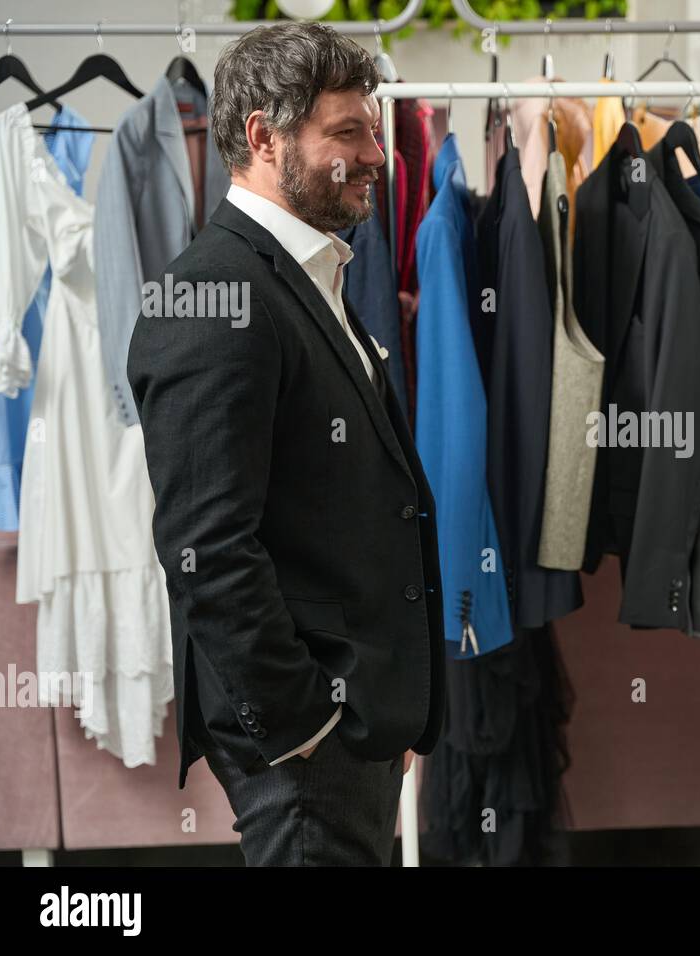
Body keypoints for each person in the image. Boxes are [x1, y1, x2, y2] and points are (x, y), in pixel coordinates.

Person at [127, 22, 445, 866]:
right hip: (308, 743)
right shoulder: (215, 296)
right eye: (348, 132)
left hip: (354, 717)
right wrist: (306, 726)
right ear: (265, 137)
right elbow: (205, 547)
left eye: (373, 130)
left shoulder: (309, 272)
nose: (375, 153)